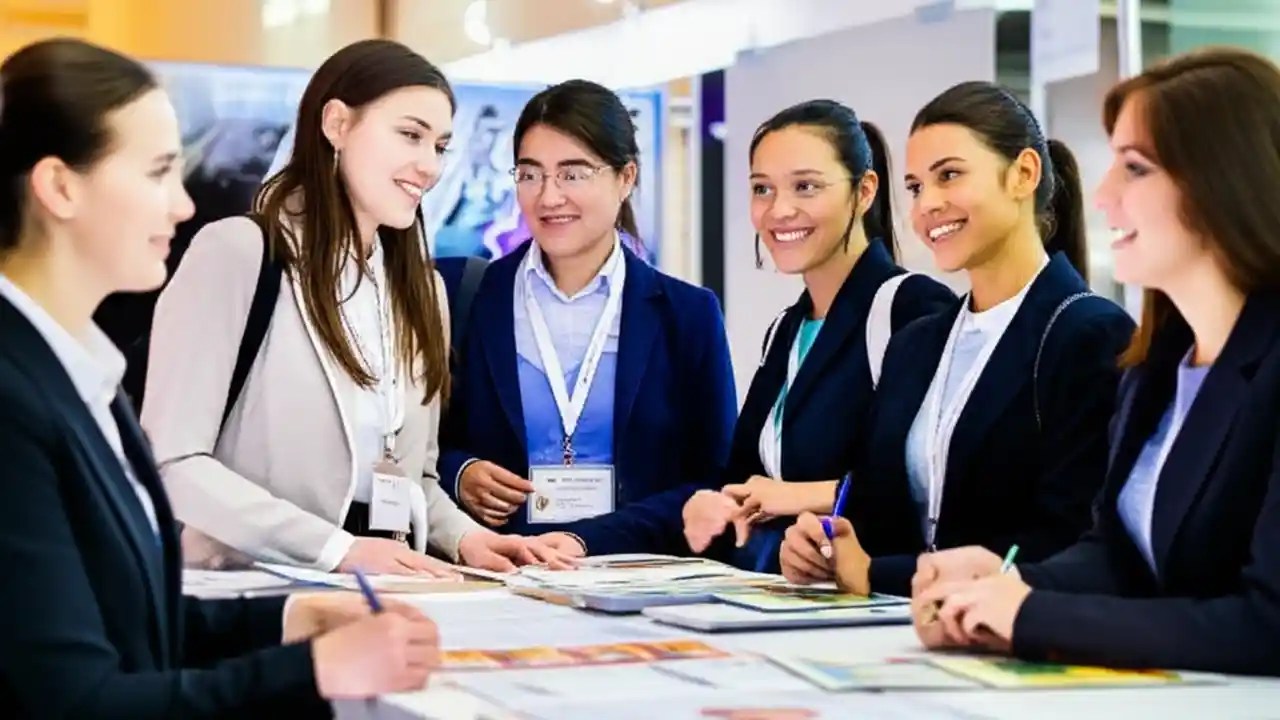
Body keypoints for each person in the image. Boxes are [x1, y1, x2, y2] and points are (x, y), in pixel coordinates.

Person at [0, 38, 441, 718]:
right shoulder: (16, 397)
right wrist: (310, 667)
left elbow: (135, 619)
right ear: (60, 186)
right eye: (157, 173)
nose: (182, 205)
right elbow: (73, 699)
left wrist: (290, 623)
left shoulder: (83, 377)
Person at [911, 47, 1280, 677]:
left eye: (1134, 169)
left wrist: (1028, 614)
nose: (1104, 195)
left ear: (1225, 178)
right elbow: (1119, 559)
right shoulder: (1156, 365)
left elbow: (1266, 624)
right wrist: (1002, 580)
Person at [141, 39, 568, 574]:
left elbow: (415, 480)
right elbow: (173, 461)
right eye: (410, 135)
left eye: (439, 145)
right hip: (253, 595)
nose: (429, 166)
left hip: (392, 588)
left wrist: (467, 539)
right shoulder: (241, 252)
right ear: (337, 124)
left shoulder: (422, 291)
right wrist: (337, 550)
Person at [780, 81, 1136, 596]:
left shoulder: (1088, 334)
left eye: (949, 176)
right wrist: (825, 543)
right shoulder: (918, 344)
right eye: (917, 186)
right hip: (898, 630)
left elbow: (1067, 538)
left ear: (1024, 174)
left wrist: (877, 573)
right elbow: (877, 506)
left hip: (1013, 635)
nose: (928, 204)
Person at [439, 79, 737, 556]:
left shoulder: (687, 314)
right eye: (530, 174)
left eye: (573, 174)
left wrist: (587, 540)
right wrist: (461, 473)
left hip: (639, 573)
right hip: (500, 569)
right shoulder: (467, 298)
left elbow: (714, 480)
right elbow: (422, 443)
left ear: (626, 178)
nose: (548, 196)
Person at [680, 100, 954, 572]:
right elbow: (743, 475)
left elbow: (924, 481)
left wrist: (791, 496)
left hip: (883, 599)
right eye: (762, 189)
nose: (779, 210)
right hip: (787, 594)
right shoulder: (786, 330)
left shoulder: (912, 309)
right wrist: (713, 503)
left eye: (805, 187)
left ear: (864, 190)